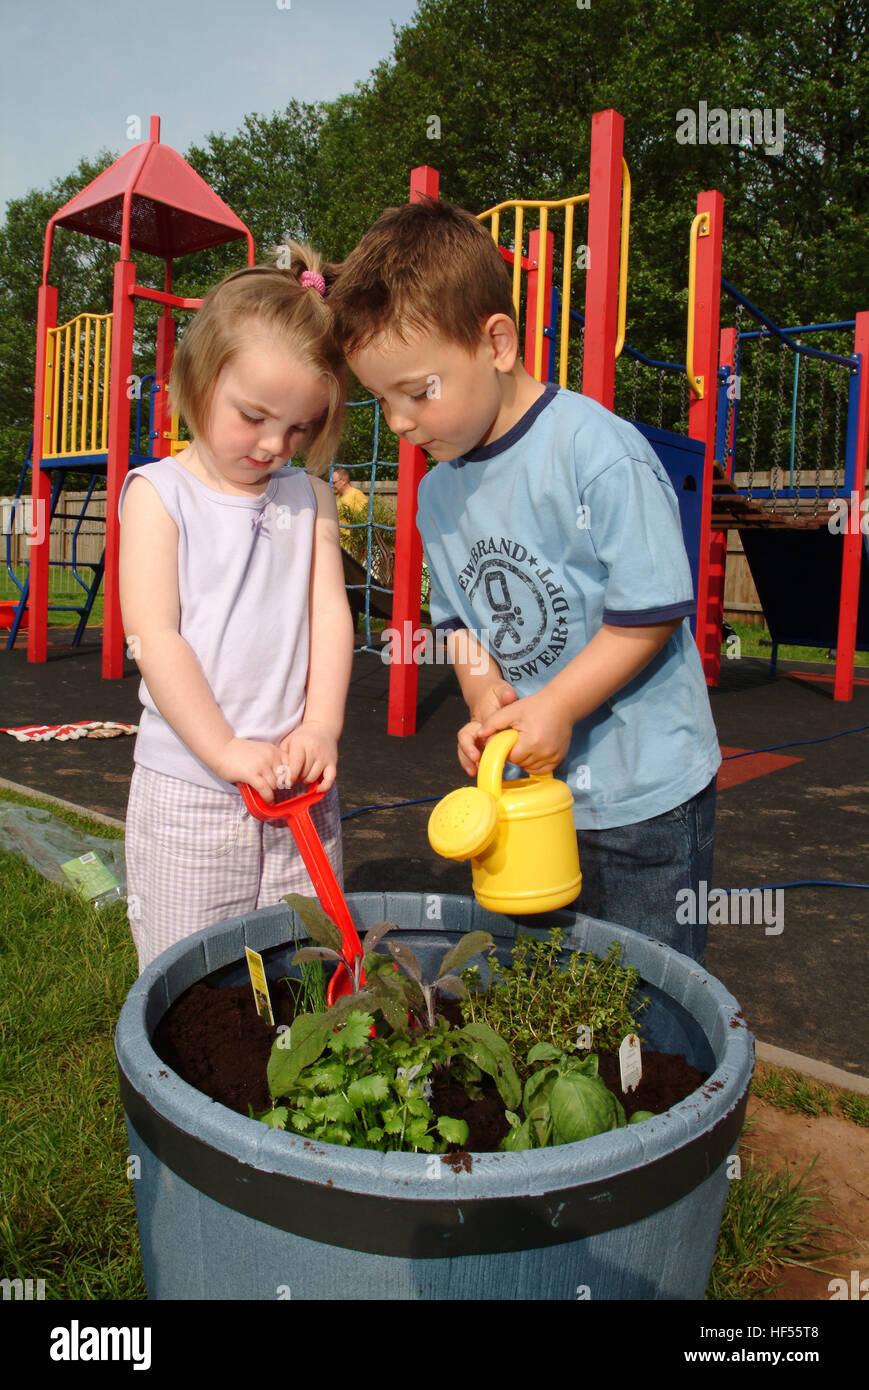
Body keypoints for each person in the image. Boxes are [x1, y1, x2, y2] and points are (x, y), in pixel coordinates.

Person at [329, 198, 721, 964]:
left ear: (498, 342)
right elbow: (459, 625)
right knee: (537, 976)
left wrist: (557, 705)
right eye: (382, 401)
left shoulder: (596, 452)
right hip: (527, 795)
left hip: (641, 791)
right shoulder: (436, 497)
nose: (400, 422)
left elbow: (645, 614)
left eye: (418, 391)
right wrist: (485, 699)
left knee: (647, 985)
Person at [119, 248, 354, 973]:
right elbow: (155, 639)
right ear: (197, 380)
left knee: (303, 960)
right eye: (252, 416)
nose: (272, 445)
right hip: (193, 790)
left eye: (299, 429)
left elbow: (330, 619)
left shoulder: (307, 497)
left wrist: (321, 725)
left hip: (297, 788)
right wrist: (224, 751)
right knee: (188, 969)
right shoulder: (159, 495)